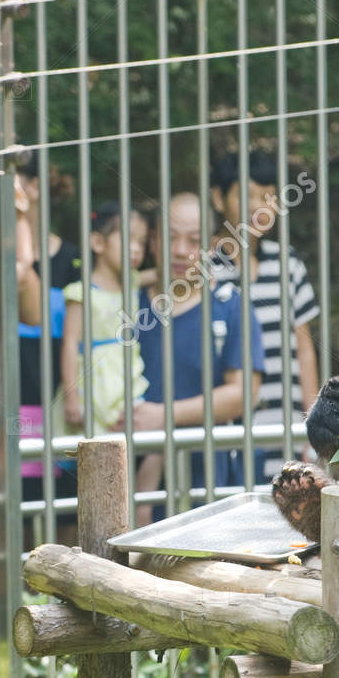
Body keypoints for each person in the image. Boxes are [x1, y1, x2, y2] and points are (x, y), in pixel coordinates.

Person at [131, 192, 266, 524]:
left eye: (193, 240)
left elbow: (243, 394)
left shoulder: (230, 307)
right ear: (153, 241)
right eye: (170, 237)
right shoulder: (127, 306)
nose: (180, 250)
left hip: (213, 487)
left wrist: (163, 416)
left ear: (212, 246)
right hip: (130, 488)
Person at [207, 150, 320, 482]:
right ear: (218, 198)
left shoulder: (287, 262)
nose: (259, 207)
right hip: (227, 430)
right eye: (248, 195)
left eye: (268, 197)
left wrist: (311, 427)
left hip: (285, 424)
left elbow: (304, 350)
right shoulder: (203, 268)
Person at [13, 152, 82, 535]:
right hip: (14, 411)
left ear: (36, 186)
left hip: (67, 411)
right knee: (20, 524)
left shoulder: (76, 259)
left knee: (71, 521)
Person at [56, 202, 150, 439]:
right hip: (93, 382)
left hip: (127, 376)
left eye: (141, 242)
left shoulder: (132, 282)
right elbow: (69, 344)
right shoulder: (81, 292)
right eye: (128, 239)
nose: (136, 249)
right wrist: (71, 397)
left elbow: (162, 275)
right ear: (98, 243)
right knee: (95, 444)